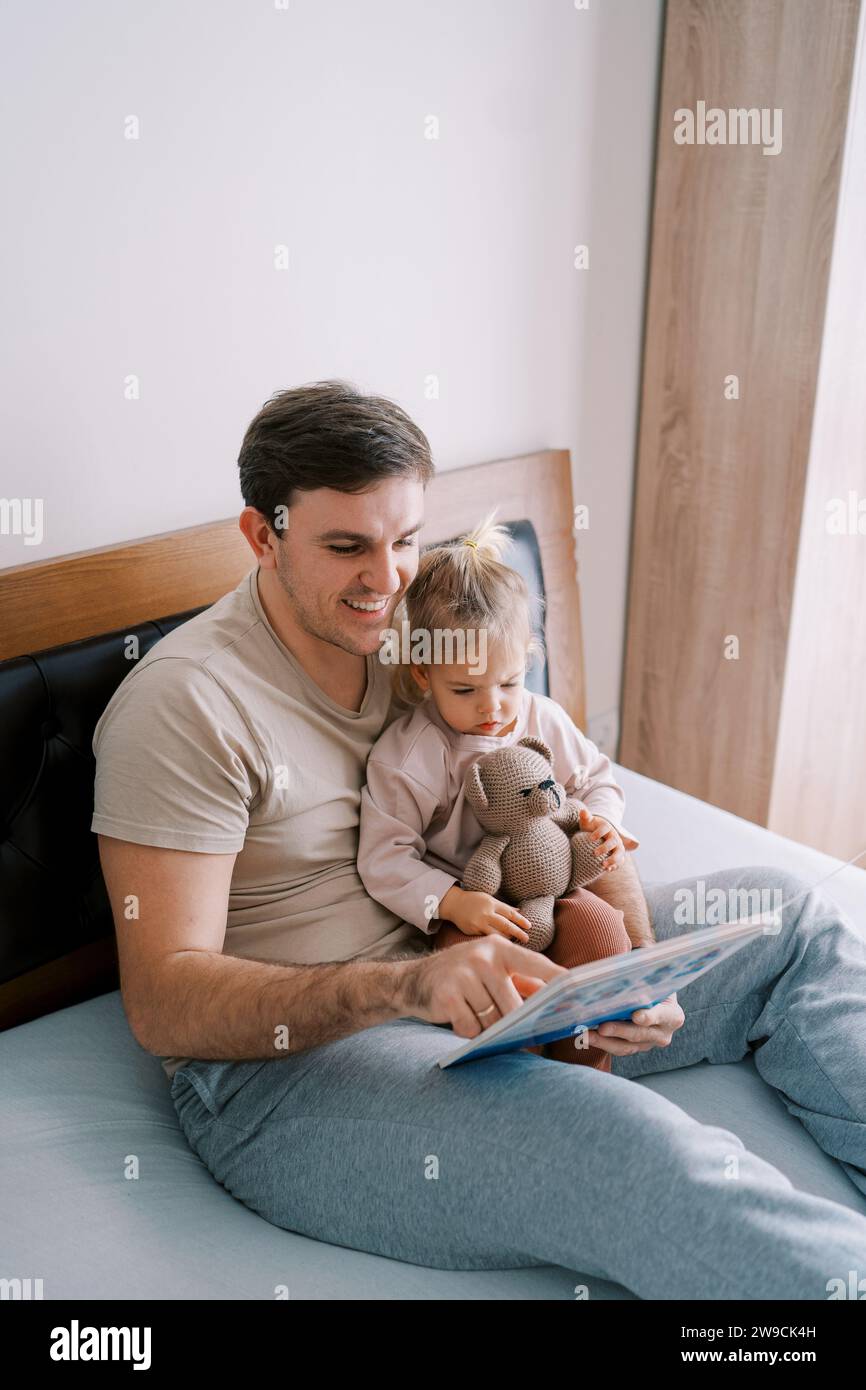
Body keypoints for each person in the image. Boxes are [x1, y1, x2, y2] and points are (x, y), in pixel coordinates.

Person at [92, 380, 866, 1299]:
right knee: (637, 1149)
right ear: (263, 535)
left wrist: (642, 974)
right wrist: (408, 983)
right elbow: (163, 1001)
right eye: (347, 547)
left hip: (497, 963)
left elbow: (551, 771)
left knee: (788, 917)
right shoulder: (187, 706)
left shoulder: (424, 637)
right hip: (297, 1071)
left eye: (406, 540)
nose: (387, 580)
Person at [357, 511, 638, 1069]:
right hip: (470, 909)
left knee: (604, 936)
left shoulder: (542, 718)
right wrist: (456, 902)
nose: (492, 707)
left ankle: (587, 1070)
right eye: (464, 689)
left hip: (549, 887)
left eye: (508, 683)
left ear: (528, 663)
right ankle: (524, 1078)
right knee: (494, 989)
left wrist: (601, 821)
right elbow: (384, 858)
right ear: (422, 676)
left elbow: (596, 779)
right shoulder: (411, 754)